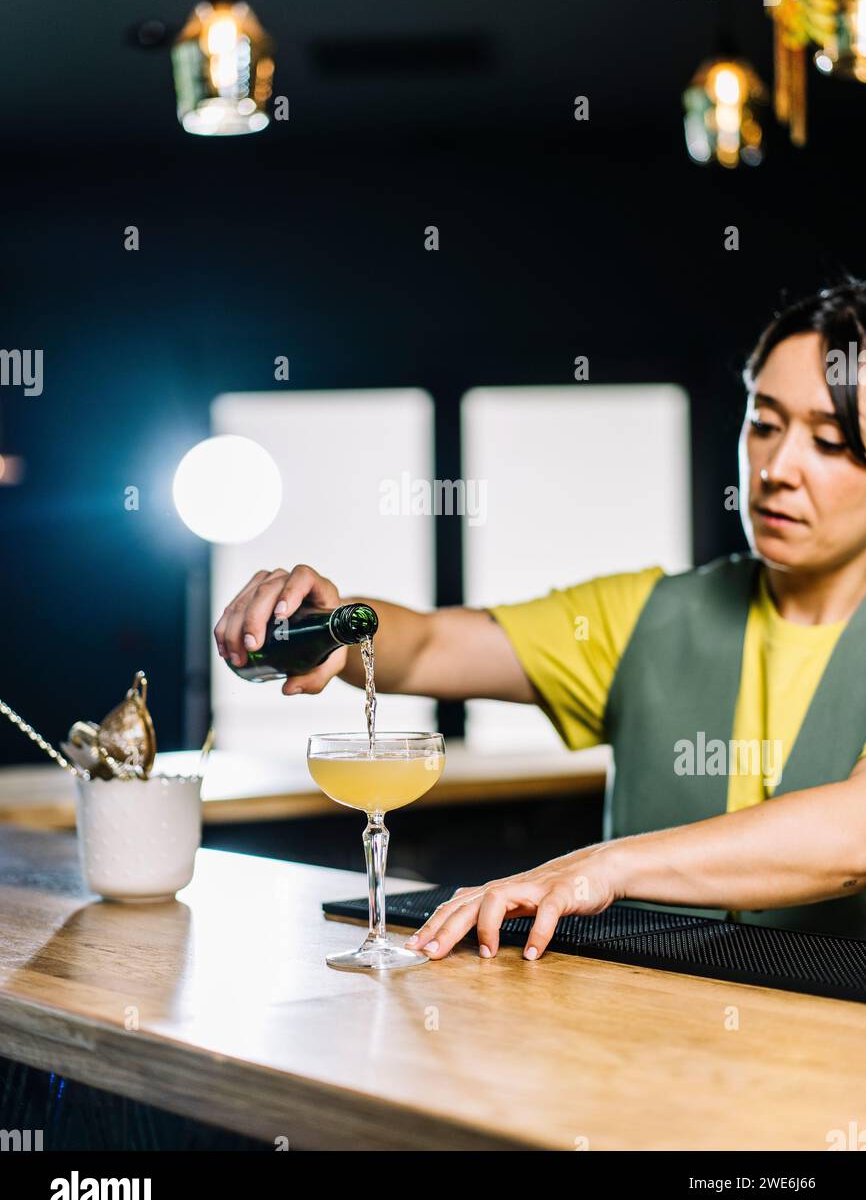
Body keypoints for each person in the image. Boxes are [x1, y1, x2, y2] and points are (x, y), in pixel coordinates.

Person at [214, 279, 866, 960]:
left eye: (829, 442)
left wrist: (599, 867)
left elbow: (853, 838)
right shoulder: (646, 615)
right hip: (637, 1032)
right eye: (763, 424)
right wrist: (334, 621)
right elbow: (431, 646)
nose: (777, 470)